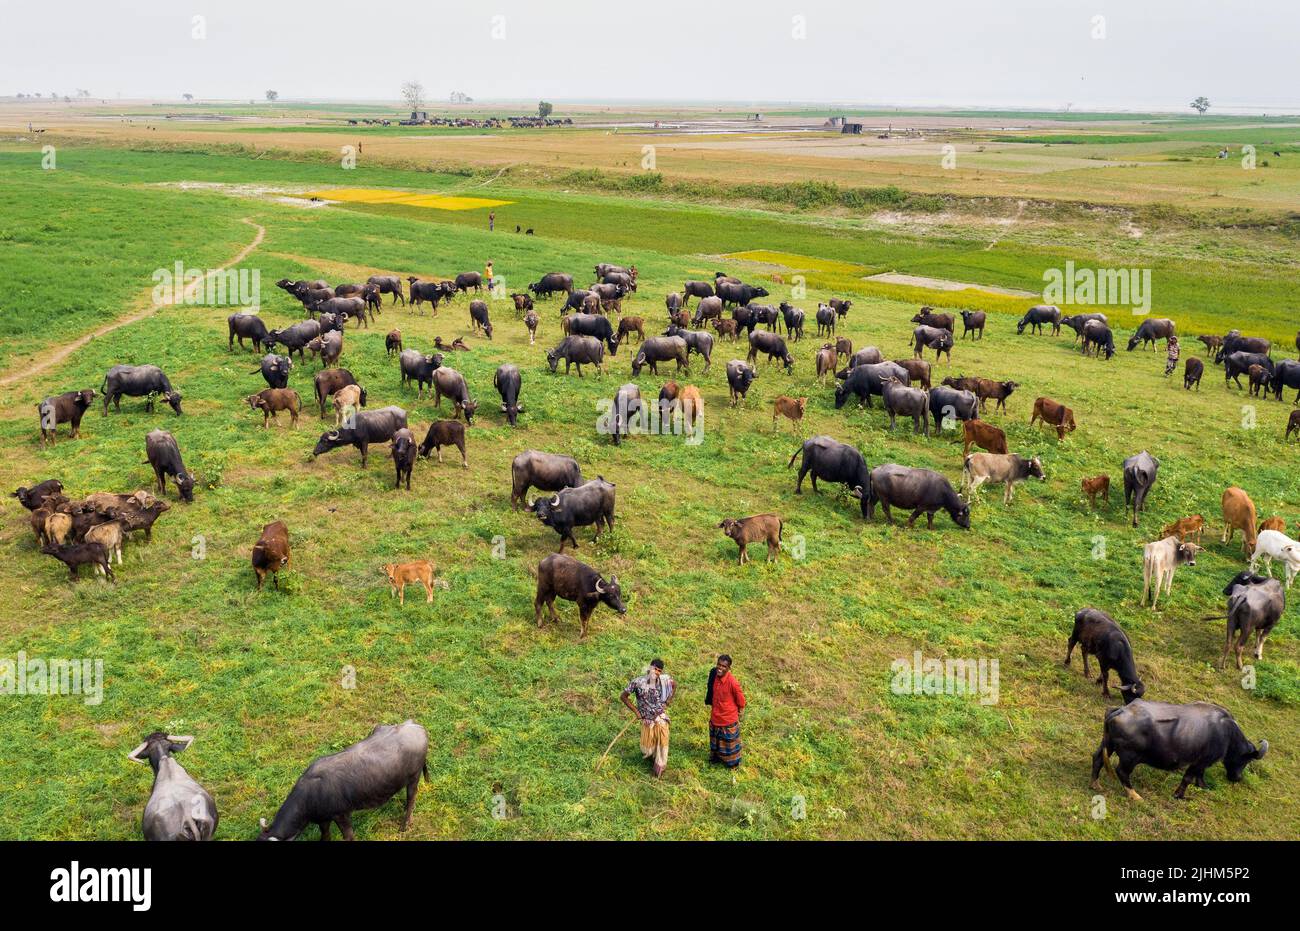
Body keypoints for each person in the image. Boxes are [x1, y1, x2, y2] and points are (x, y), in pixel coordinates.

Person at [621, 659, 674, 778]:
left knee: (663, 743)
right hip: (647, 720)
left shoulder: (664, 681)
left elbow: (674, 685)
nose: (656, 672)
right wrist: (636, 711)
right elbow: (623, 696)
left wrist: (668, 701)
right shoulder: (637, 682)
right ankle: (652, 755)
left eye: (659, 670)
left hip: (660, 717)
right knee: (647, 749)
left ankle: (660, 766)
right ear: (650, 668)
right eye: (655, 669)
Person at [705, 654, 746, 768]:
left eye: (723, 666)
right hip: (715, 716)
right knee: (716, 741)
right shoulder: (714, 675)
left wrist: (740, 711)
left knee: (729, 744)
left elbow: (741, 700)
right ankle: (716, 758)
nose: (720, 668)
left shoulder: (733, 683)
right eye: (718, 664)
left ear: (728, 668)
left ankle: (733, 764)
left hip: (727, 719)